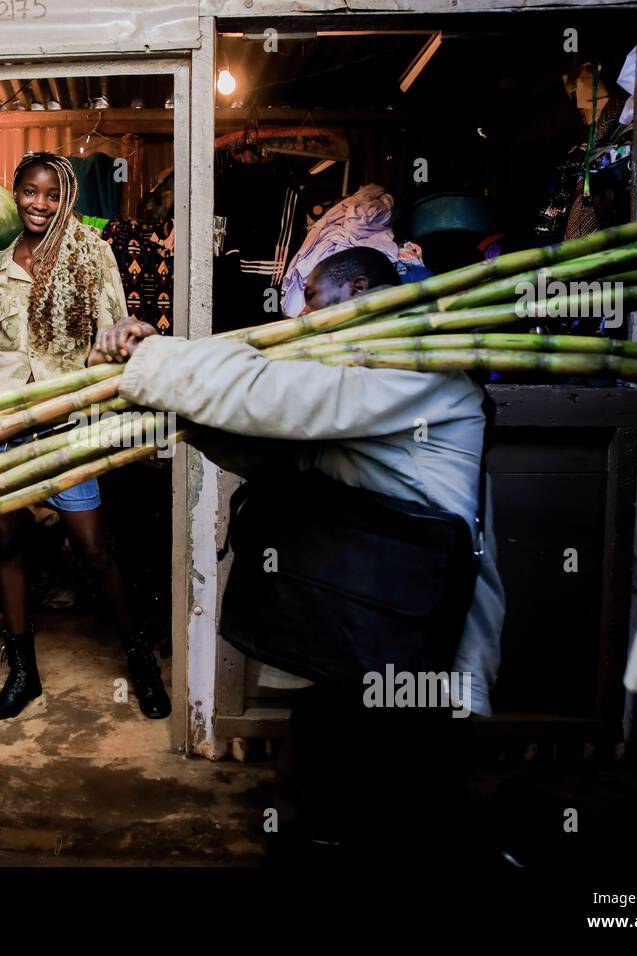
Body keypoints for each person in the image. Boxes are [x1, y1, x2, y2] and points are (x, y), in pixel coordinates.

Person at [97, 246, 506, 858]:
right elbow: (276, 448)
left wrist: (153, 356)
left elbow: (272, 395)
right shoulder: (365, 372)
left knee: (391, 800)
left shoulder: (415, 366)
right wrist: (160, 377)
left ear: (358, 291)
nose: (299, 316)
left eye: (311, 298)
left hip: (416, 646)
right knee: (333, 781)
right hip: (371, 637)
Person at [0, 151, 170, 723]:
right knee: (6, 544)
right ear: (17, 192)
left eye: (51, 195)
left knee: (94, 549)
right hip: (2, 417)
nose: (39, 204)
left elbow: (111, 331)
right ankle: (22, 671)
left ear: (66, 198)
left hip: (65, 422)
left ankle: (139, 659)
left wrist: (126, 346)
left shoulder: (92, 256)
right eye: (29, 192)